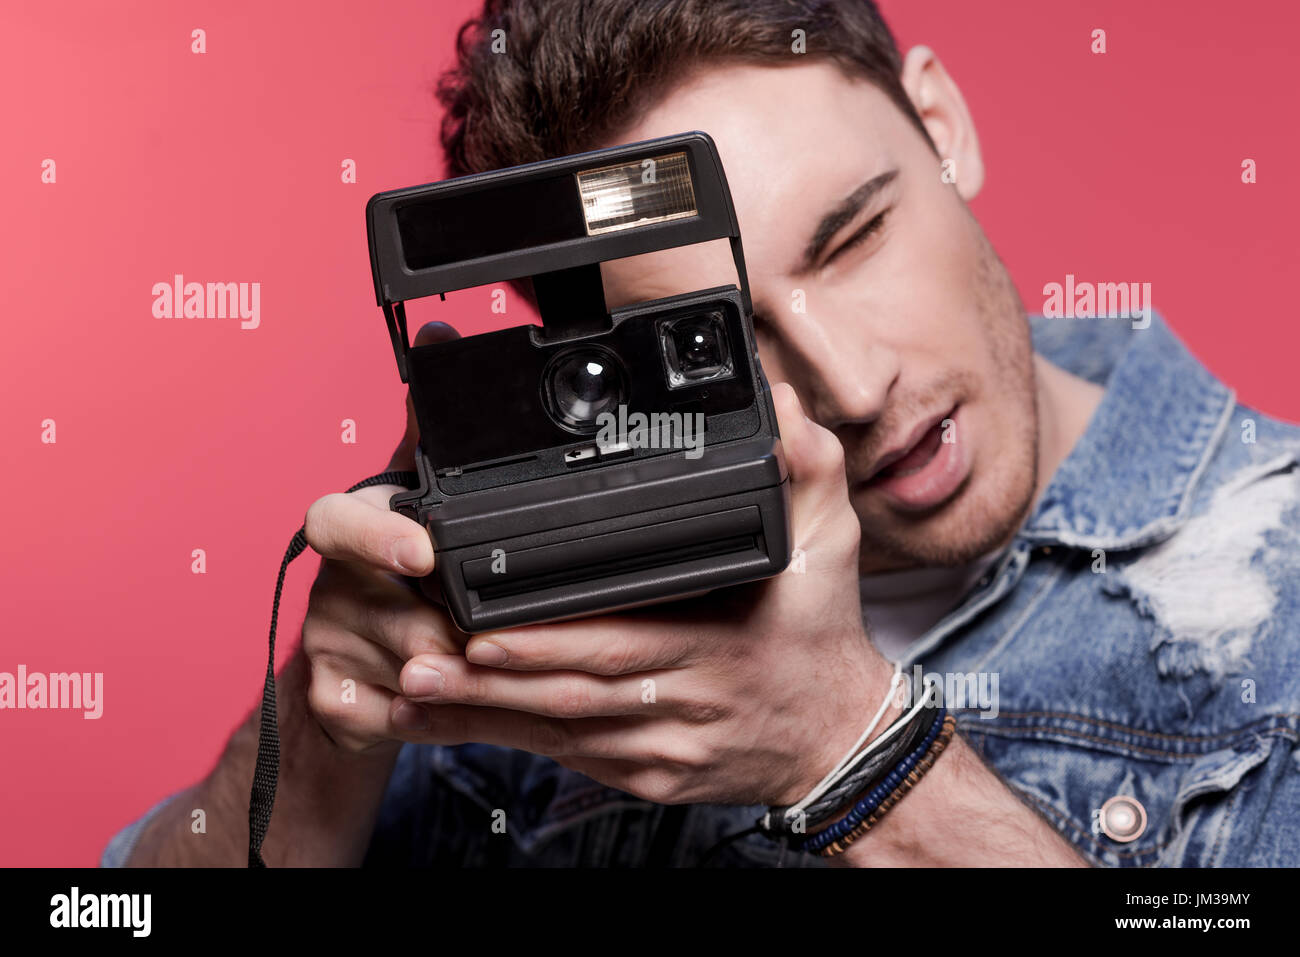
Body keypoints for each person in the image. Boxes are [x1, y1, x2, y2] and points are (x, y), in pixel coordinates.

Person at [104, 0, 1300, 868]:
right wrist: (326, 733)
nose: (850, 381)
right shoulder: (564, 634)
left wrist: (852, 753)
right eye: (715, 339)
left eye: (852, 241)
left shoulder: (1275, 594)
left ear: (940, 122)